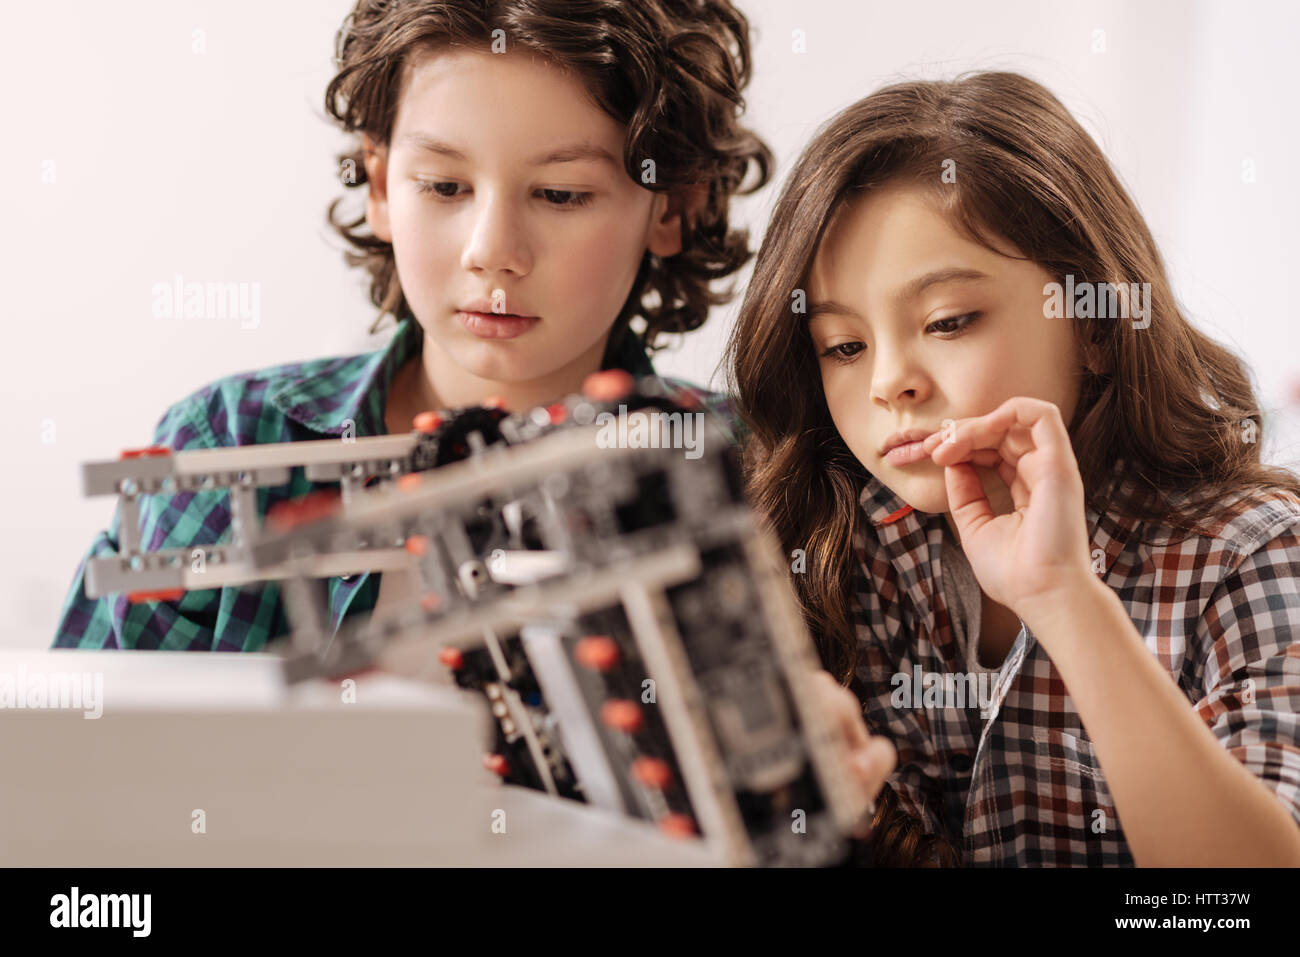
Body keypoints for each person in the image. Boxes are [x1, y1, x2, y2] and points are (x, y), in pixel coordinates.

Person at [54, 0, 771, 654]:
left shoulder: (765, 473)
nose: (491, 250)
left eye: (561, 193)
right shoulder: (224, 443)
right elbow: (72, 774)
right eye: (445, 186)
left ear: (673, 206)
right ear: (379, 183)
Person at [726, 72, 1300, 866]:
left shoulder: (1253, 553)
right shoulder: (834, 543)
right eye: (844, 346)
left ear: (1096, 324)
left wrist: (1064, 597)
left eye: (948, 321)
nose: (890, 380)